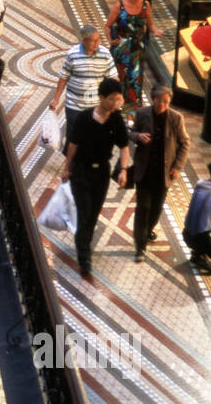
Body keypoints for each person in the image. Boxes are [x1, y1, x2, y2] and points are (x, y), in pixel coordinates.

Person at [60, 77, 131, 281]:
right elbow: (73, 144)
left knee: (93, 213)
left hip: (102, 173)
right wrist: (67, 168)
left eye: (117, 99)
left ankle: (84, 242)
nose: (115, 103)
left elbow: (124, 146)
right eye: (111, 99)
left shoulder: (116, 120)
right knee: (84, 211)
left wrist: (123, 169)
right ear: (101, 97)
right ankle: (84, 257)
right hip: (81, 171)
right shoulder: (84, 118)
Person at [131, 84, 189, 263]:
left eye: (166, 101)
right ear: (153, 99)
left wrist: (177, 166)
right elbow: (130, 132)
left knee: (156, 208)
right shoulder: (142, 114)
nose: (162, 104)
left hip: (164, 174)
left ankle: (148, 230)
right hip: (144, 171)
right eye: (159, 100)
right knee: (143, 208)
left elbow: (185, 143)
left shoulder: (176, 118)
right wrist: (137, 136)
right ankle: (140, 247)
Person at [48, 23, 118, 148]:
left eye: (98, 40)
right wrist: (56, 99)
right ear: (84, 40)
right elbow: (63, 77)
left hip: (96, 107)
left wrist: (115, 98)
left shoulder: (105, 54)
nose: (97, 43)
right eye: (93, 41)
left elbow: (114, 78)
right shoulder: (73, 54)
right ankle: (70, 164)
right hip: (75, 106)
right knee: (73, 138)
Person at [105, 0, 161, 116]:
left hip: (138, 50)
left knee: (135, 79)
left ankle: (133, 110)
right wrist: (110, 40)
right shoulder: (119, 6)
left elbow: (150, 24)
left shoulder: (145, 5)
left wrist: (155, 31)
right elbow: (108, 25)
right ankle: (116, 105)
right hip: (122, 48)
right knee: (121, 77)